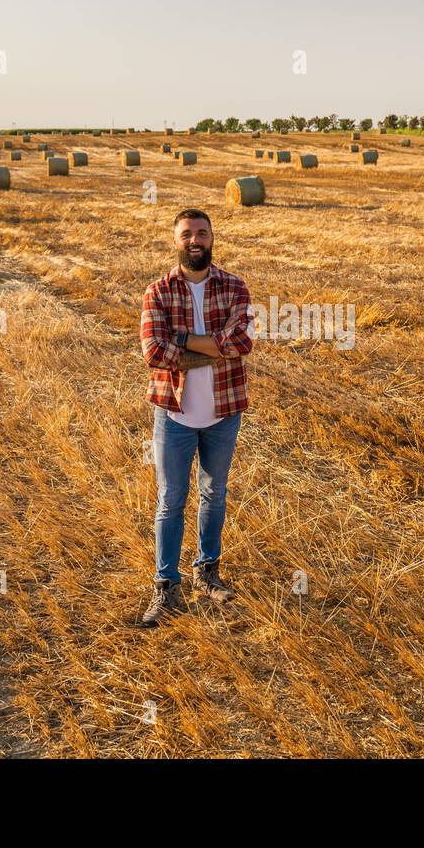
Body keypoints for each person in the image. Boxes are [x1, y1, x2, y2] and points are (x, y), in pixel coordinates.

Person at [138, 208, 253, 627]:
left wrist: (182, 341)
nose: (195, 240)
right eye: (187, 234)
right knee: (170, 501)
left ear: (212, 237)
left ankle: (207, 571)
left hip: (223, 413)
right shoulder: (158, 291)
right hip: (174, 414)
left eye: (202, 233)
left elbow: (242, 341)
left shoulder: (235, 287)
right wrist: (213, 349)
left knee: (215, 494)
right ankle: (166, 585)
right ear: (176, 240)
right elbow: (154, 352)